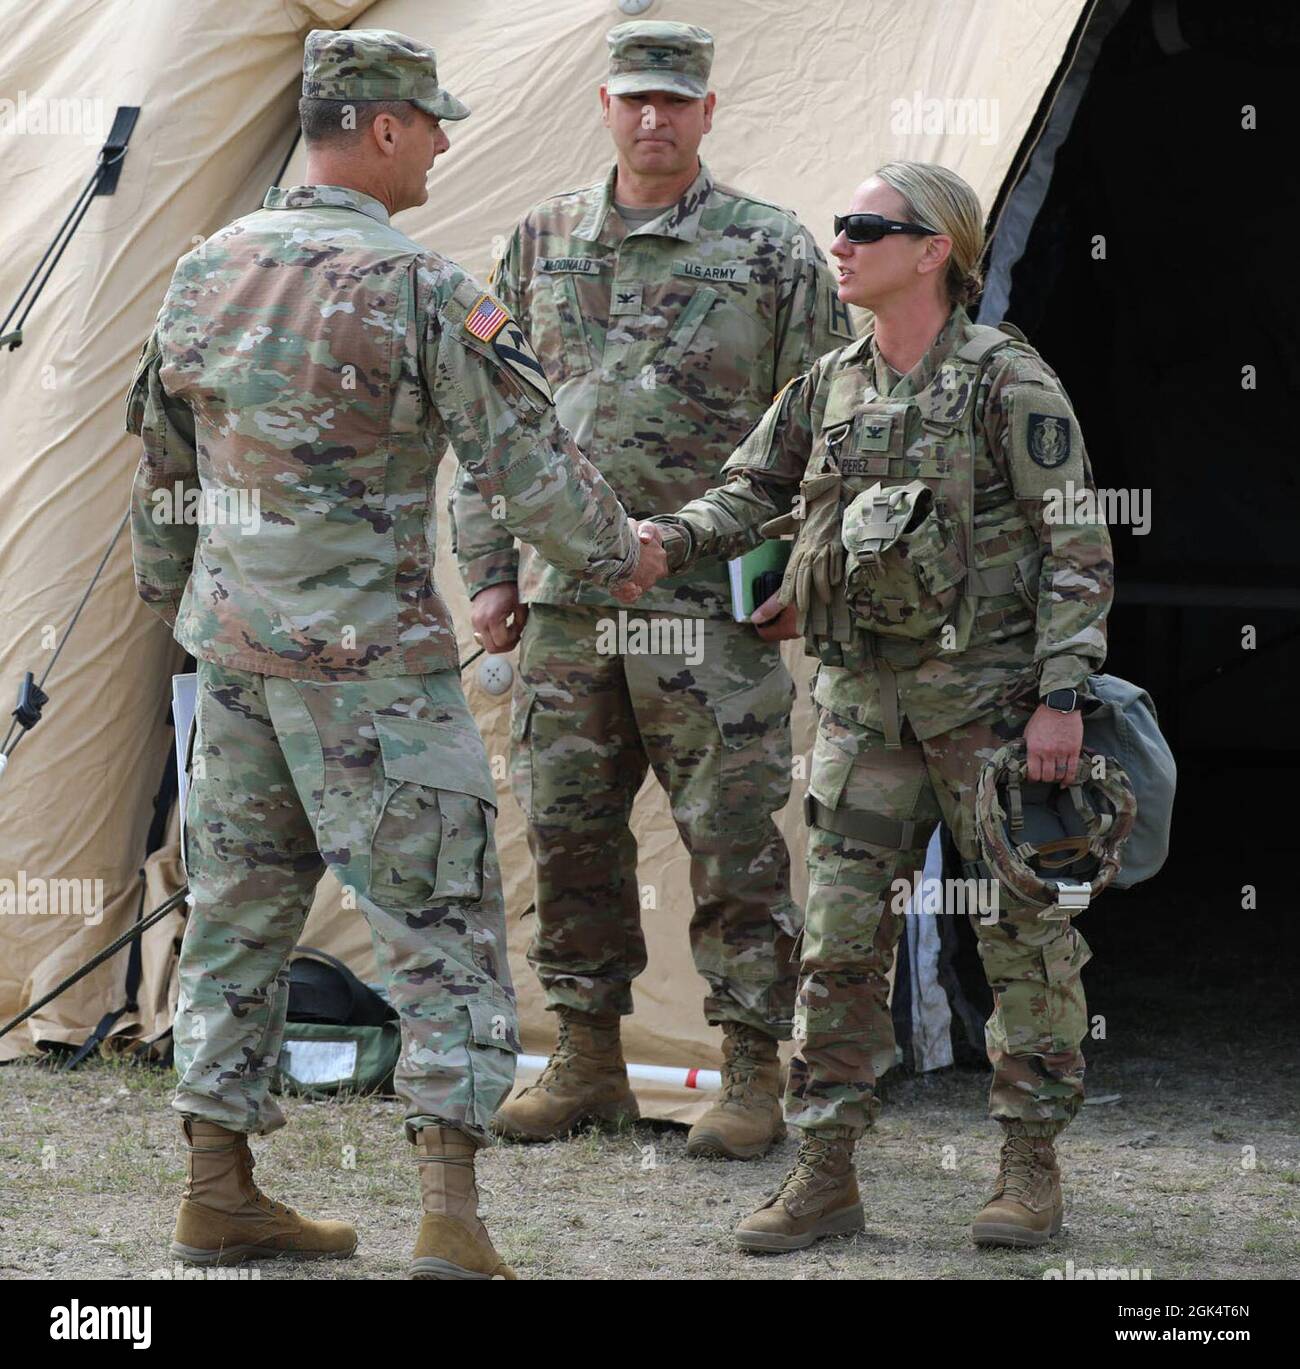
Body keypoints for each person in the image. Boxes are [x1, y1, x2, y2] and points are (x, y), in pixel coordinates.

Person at [126, 27, 664, 1281]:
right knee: (439, 928)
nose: (437, 144)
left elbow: (158, 472)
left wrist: (180, 606)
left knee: (233, 923)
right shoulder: (422, 287)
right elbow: (520, 459)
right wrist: (618, 554)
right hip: (375, 675)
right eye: (429, 124)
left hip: (240, 661)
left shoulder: (204, 270)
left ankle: (218, 1189)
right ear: (379, 129)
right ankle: (450, 1219)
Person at [639, 161, 1114, 1250]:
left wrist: (1059, 699)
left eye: (863, 227)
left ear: (933, 250)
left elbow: (1074, 546)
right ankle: (825, 1171)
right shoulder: (830, 383)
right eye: (839, 227)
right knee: (840, 946)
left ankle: (1027, 1168)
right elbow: (752, 489)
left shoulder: (1004, 379)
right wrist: (664, 541)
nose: (839, 245)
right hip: (862, 715)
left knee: (1022, 940)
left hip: (988, 714)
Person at [451, 20, 851, 1161]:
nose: (653, 120)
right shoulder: (536, 243)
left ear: (709, 113)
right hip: (567, 606)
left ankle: (751, 1073)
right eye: (635, 99)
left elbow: (817, 443)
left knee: (732, 844)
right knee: (571, 836)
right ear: (604, 103)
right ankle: (585, 1060)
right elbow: (491, 426)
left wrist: (785, 580)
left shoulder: (771, 252)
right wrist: (488, 572)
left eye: (675, 102)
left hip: (708, 609)